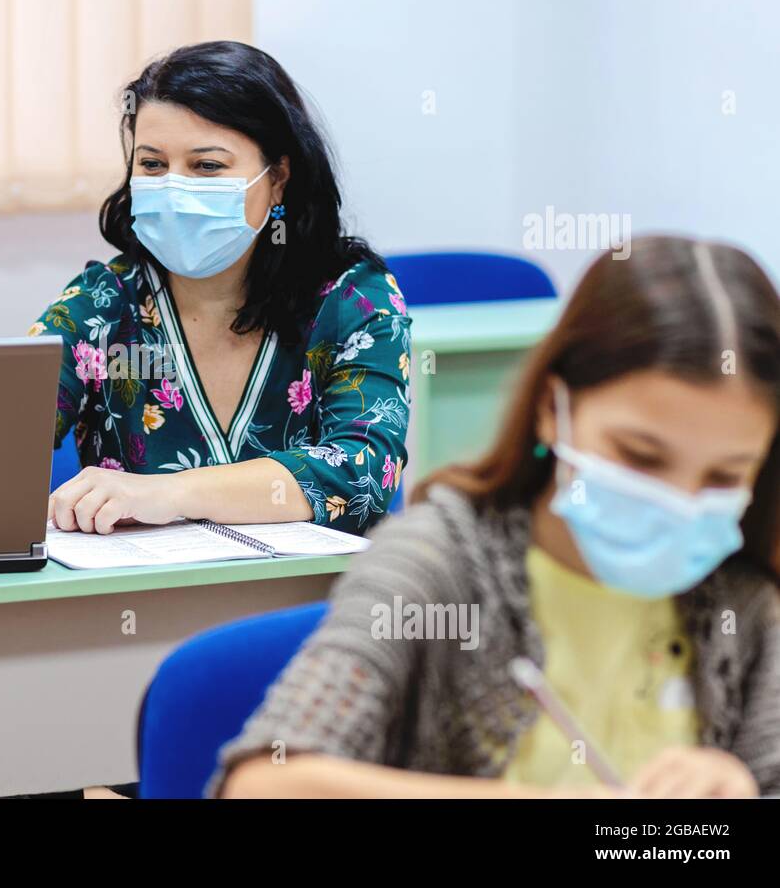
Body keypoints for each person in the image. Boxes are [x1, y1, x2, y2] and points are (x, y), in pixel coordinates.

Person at [218, 235, 780, 798]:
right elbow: (263, 786)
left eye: (725, 476)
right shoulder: (442, 560)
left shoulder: (749, 602)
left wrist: (742, 788)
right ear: (551, 412)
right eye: (639, 456)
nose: (678, 500)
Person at [35, 41, 411, 536]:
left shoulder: (351, 299)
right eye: (152, 165)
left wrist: (171, 492)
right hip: (139, 605)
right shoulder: (102, 304)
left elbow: (362, 472)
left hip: (312, 606)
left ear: (277, 178)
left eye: (206, 166)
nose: (173, 187)